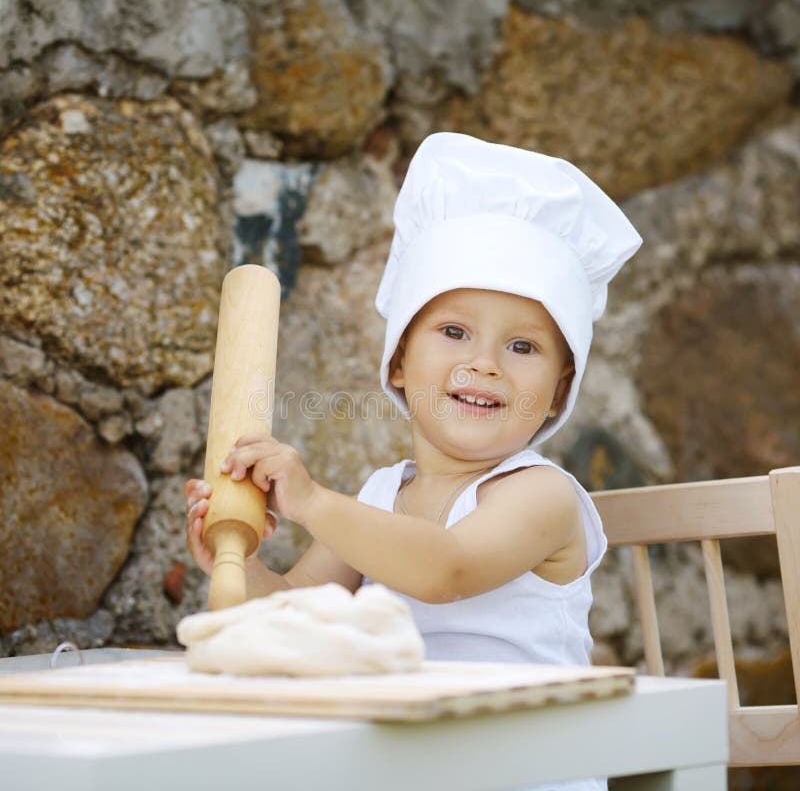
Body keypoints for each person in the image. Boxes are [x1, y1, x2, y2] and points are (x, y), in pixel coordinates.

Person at [184, 132, 642, 789]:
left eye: (522, 346)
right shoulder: (379, 496)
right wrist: (240, 561)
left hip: (522, 770)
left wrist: (312, 501)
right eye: (454, 331)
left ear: (558, 393)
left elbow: (445, 570)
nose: (483, 362)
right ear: (398, 360)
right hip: (409, 768)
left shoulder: (541, 495)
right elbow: (289, 609)